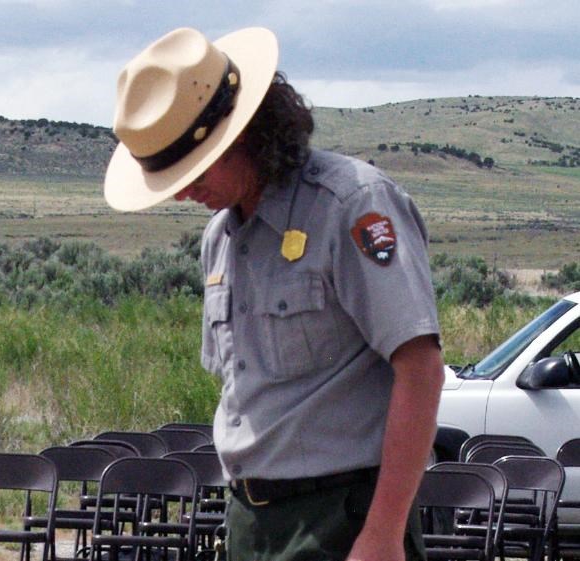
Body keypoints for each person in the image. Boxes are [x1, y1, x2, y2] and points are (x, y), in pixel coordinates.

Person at [104, 27, 445, 561]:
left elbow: (420, 367)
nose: (185, 190)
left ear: (247, 134)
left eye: (195, 168)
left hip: (344, 519)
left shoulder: (351, 205)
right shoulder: (219, 240)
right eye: (171, 178)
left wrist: (382, 533)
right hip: (249, 522)